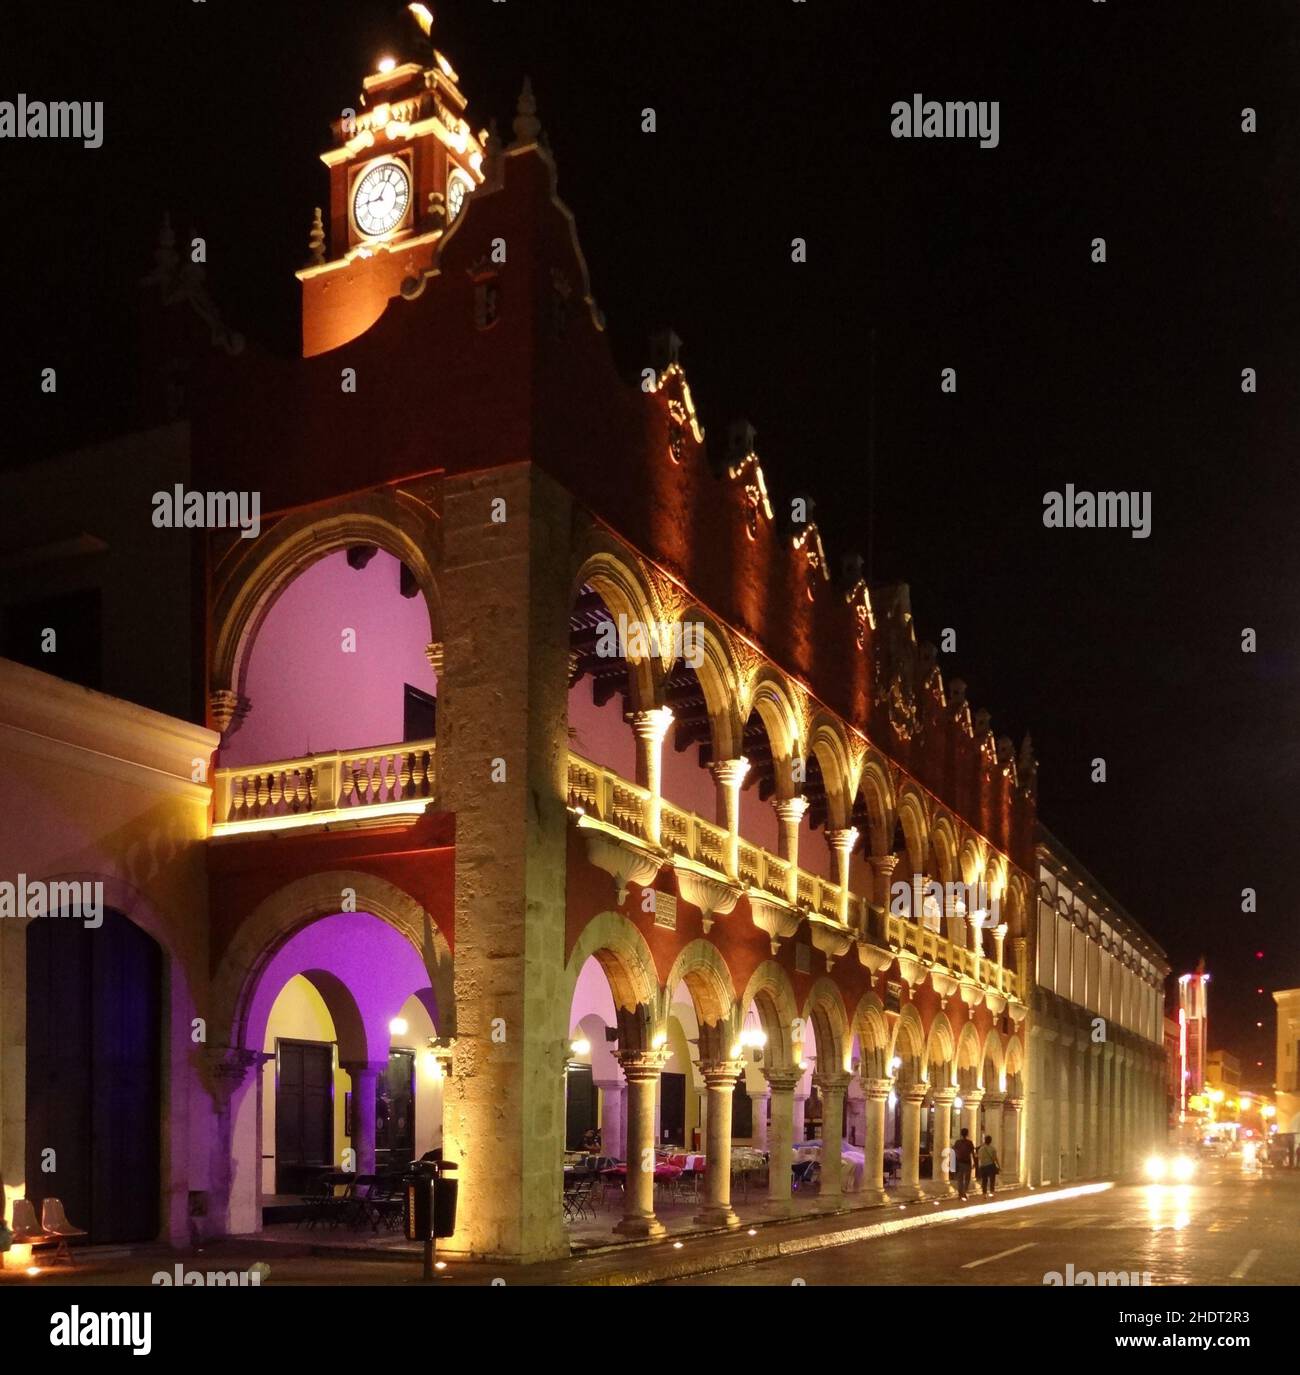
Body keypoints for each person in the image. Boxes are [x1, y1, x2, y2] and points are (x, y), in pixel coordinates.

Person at [952, 1127, 976, 1199]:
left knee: (960, 1179)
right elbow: (972, 1153)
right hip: (967, 1162)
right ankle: (964, 1192)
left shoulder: (957, 1142)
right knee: (967, 1179)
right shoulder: (969, 1142)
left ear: (961, 1134)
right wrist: (974, 1162)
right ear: (967, 1134)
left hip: (959, 1162)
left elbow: (954, 1151)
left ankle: (960, 1193)